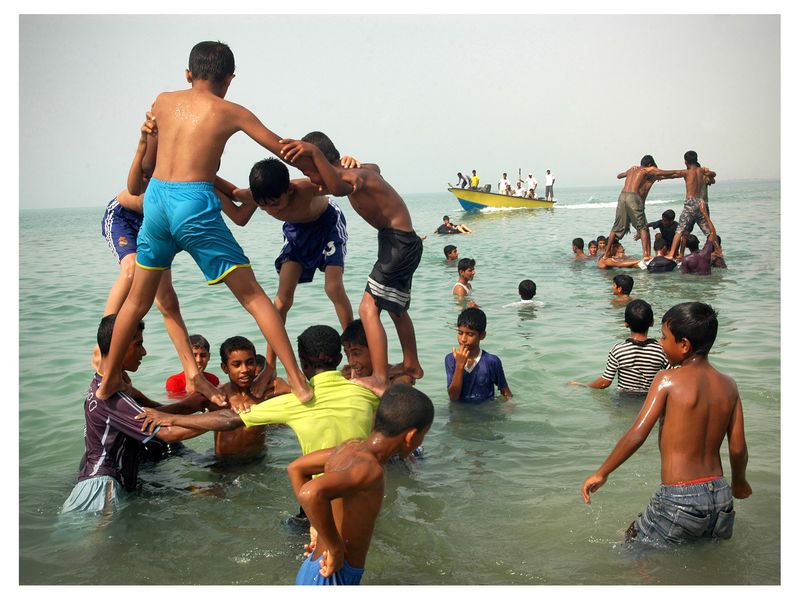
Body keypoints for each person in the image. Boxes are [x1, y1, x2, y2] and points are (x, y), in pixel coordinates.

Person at [95, 41, 314, 405]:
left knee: (136, 302)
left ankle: (108, 380)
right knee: (255, 297)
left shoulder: (163, 101)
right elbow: (281, 148)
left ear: (188, 74)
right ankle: (298, 382)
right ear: (229, 79)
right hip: (193, 202)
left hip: (157, 201)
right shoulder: (231, 111)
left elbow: (146, 169)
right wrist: (319, 162)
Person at [581, 302, 751, 546]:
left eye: (664, 337)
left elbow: (637, 434)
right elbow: (737, 448)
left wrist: (602, 472)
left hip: (680, 497)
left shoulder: (666, 379)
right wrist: (740, 481)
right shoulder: (729, 385)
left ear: (684, 345)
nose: (660, 343)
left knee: (631, 552)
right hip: (721, 496)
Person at [280, 131, 425, 393]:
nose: (311, 178)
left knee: (367, 308)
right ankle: (412, 363)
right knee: (396, 309)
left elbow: (338, 186)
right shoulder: (355, 170)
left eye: (308, 169)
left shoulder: (352, 177)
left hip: (398, 244)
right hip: (399, 242)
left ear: (321, 161)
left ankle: (379, 377)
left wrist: (314, 154)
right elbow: (374, 168)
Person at [98, 115, 218, 404]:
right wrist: (143, 141)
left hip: (155, 223)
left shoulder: (187, 169)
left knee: (167, 301)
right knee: (129, 272)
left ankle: (193, 374)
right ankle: (103, 351)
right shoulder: (155, 161)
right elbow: (135, 183)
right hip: (125, 219)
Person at [136, 325, 381, 461]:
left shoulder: (272, 390)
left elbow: (306, 394)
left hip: (257, 460)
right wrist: (141, 404)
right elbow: (170, 411)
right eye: (237, 365)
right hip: (223, 464)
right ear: (224, 368)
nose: (245, 370)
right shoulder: (215, 396)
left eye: (250, 362)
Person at [61, 315, 211, 514]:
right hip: (100, 492)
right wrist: (229, 418)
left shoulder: (109, 385)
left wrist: (189, 405)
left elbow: (150, 413)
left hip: (109, 486)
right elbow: (167, 432)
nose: (144, 351)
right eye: (138, 344)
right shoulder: (112, 396)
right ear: (120, 346)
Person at [216, 157, 353, 370]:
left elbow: (343, 183)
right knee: (281, 300)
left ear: (288, 190)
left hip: (328, 224)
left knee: (333, 287)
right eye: (264, 207)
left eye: (275, 203)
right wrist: (205, 175)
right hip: (297, 232)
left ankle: (353, 352)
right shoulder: (259, 196)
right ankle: (270, 367)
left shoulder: (305, 188)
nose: (272, 210)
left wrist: (348, 163)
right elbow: (234, 193)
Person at [289, 384, 433, 585]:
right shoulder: (371, 469)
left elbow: (296, 468)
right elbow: (311, 493)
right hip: (334, 575)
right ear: (411, 436)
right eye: (423, 435)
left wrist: (317, 527)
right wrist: (335, 548)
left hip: (313, 567)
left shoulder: (349, 447)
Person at [569, 299, 667, 393]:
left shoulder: (618, 350)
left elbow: (605, 382)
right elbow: (672, 374)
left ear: (626, 324)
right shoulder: (662, 350)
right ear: (652, 322)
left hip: (623, 399)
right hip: (649, 400)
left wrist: (584, 385)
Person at [602, 156, 682, 261]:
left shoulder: (633, 171)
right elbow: (671, 174)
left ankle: (606, 254)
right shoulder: (649, 170)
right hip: (634, 200)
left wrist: (630, 169)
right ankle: (646, 256)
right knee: (644, 228)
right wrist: (685, 172)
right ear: (650, 165)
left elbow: (619, 176)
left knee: (616, 227)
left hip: (622, 196)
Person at [446, 307, 512, 403]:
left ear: (482, 335)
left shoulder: (491, 361)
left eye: (470, 334)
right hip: (460, 414)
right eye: (460, 333)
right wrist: (459, 366)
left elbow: (505, 392)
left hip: (486, 413)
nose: (463, 339)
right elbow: (453, 397)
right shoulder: (451, 359)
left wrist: (510, 407)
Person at [665, 151, 718, 261]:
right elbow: (713, 174)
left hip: (690, 203)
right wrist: (708, 172)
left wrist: (657, 175)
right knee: (709, 231)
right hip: (702, 203)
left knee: (679, 230)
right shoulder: (702, 171)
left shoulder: (686, 172)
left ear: (685, 161)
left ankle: (671, 254)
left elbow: (673, 173)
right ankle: (718, 251)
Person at [340, 319, 416, 385]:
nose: (351, 362)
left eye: (356, 354)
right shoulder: (349, 374)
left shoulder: (398, 380)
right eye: (347, 355)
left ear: (375, 350)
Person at [681, 201, 718, 276]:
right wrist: (704, 213)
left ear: (687, 246)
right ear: (698, 242)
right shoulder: (706, 252)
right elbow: (712, 232)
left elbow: (685, 277)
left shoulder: (686, 259)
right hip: (708, 280)